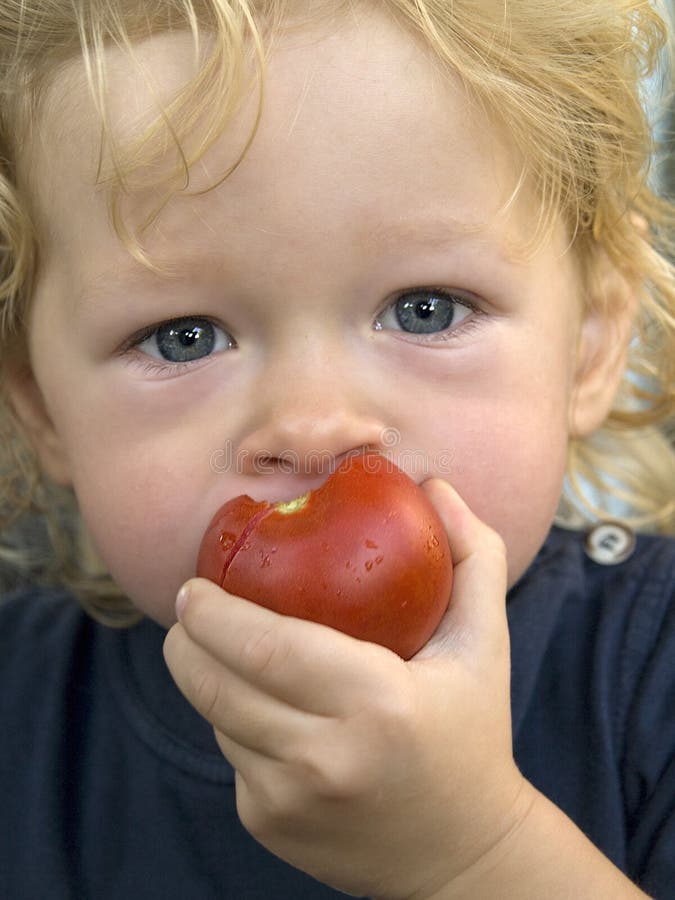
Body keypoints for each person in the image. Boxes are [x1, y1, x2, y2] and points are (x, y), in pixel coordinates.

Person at [0, 0, 674, 897]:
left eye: (423, 308)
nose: (315, 426)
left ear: (589, 344)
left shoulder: (652, 673)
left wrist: (472, 854)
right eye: (184, 337)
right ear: (43, 407)